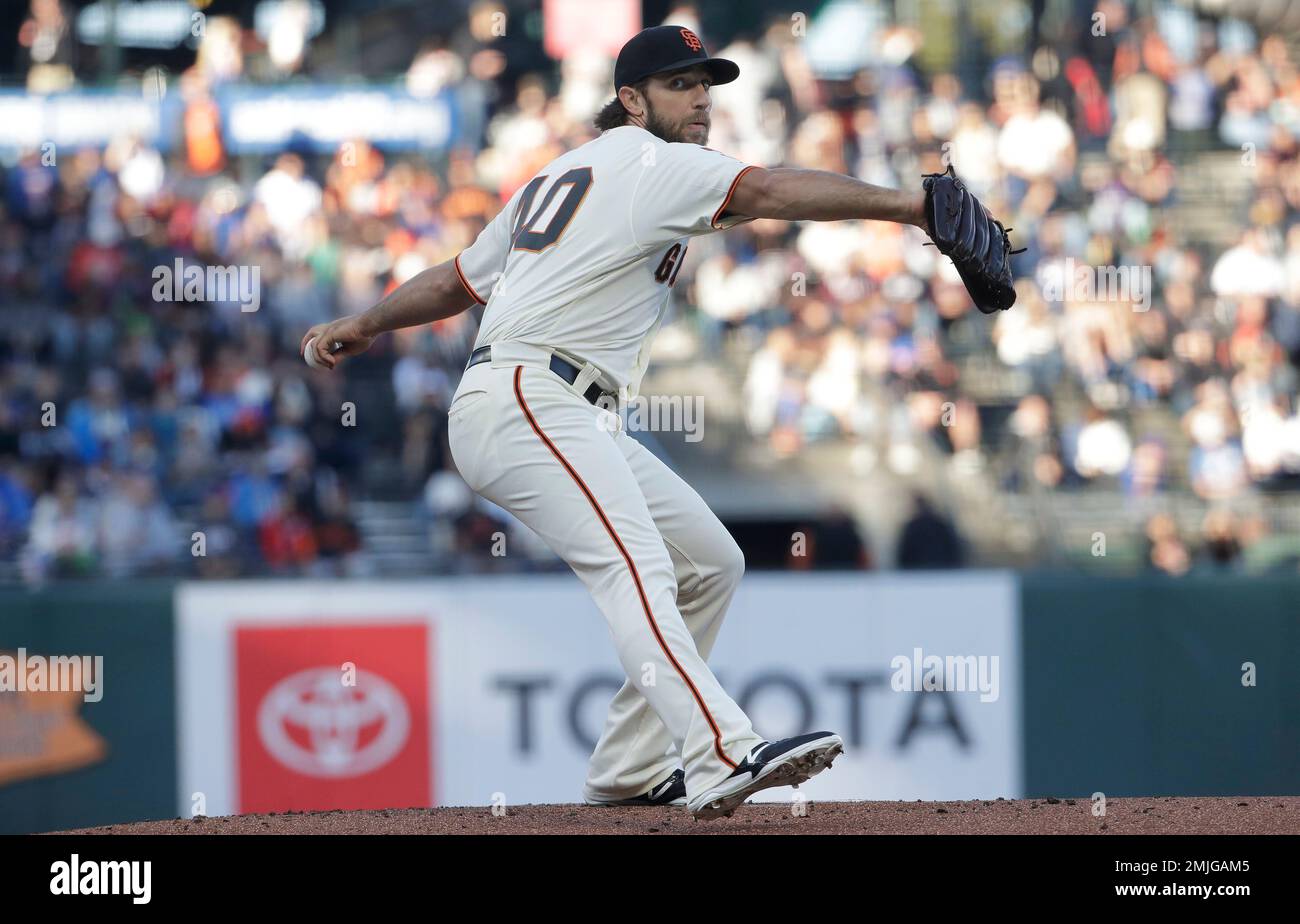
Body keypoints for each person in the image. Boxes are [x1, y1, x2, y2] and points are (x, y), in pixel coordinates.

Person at [301, 25, 946, 819]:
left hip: (554, 404)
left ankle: (629, 771)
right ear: (631, 101)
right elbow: (772, 193)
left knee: (711, 562)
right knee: (636, 567)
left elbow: (458, 280)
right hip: (530, 397)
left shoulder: (569, 171)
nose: (702, 97)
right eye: (679, 84)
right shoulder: (653, 161)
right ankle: (722, 751)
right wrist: (911, 205)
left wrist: (368, 322)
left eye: (706, 82)